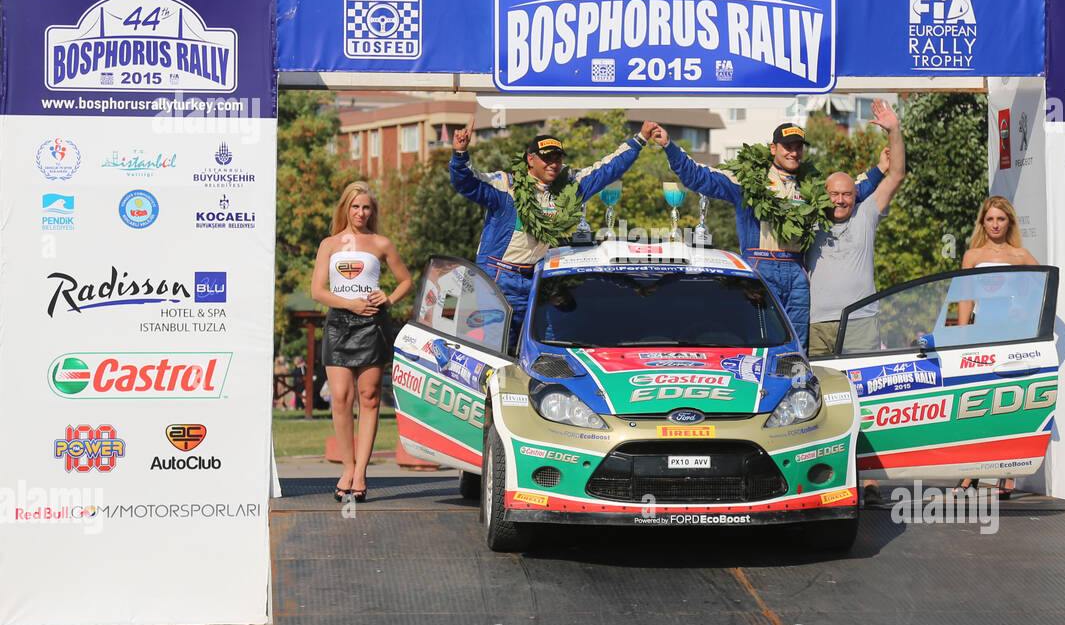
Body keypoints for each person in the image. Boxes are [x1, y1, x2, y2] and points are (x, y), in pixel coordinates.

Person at [646, 119, 885, 350]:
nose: (793, 153)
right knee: (758, 341)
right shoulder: (748, 180)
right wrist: (669, 146)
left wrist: (881, 169)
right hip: (760, 268)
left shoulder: (812, 187)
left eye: (798, 148)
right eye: (787, 147)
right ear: (774, 148)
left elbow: (850, 191)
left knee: (796, 345)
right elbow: (699, 177)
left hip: (797, 273)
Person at [450, 116, 651, 350]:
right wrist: (460, 154)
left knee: (539, 347)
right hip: (498, 276)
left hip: (538, 278)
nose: (553, 163)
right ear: (530, 159)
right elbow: (467, 183)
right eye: (546, 158)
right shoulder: (506, 185)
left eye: (558, 158)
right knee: (493, 349)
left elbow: (606, 170)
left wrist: (640, 139)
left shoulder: (569, 187)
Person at [311, 181, 412, 503]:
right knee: (340, 398)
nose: (361, 212)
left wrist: (390, 298)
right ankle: (347, 467)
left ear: (372, 211)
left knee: (368, 398)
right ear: (346, 208)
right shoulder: (329, 244)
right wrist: (349, 303)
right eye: (355, 206)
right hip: (339, 324)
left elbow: (406, 280)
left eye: (366, 207)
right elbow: (318, 291)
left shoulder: (381, 242)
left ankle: (359, 474)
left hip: (372, 324)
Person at [806, 100, 907, 356]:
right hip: (817, 323)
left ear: (856, 195)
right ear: (824, 194)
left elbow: (896, 175)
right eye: (834, 194)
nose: (840, 200)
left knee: (862, 388)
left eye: (848, 194)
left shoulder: (866, 214)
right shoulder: (808, 220)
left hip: (861, 322)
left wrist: (894, 131)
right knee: (818, 387)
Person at [955, 195, 1038, 497]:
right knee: (979, 404)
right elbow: (964, 298)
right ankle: (972, 471)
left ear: (1009, 222)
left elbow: (1041, 292)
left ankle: (1008, 473)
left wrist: (1028, 321)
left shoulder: (1022, 256)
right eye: (989, 219)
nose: (994, 224)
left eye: (1000, 219)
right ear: (982, 222)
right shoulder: (972, 256)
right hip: (982, 334)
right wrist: (963, 338)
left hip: (1013, 337)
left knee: (1010, 403)